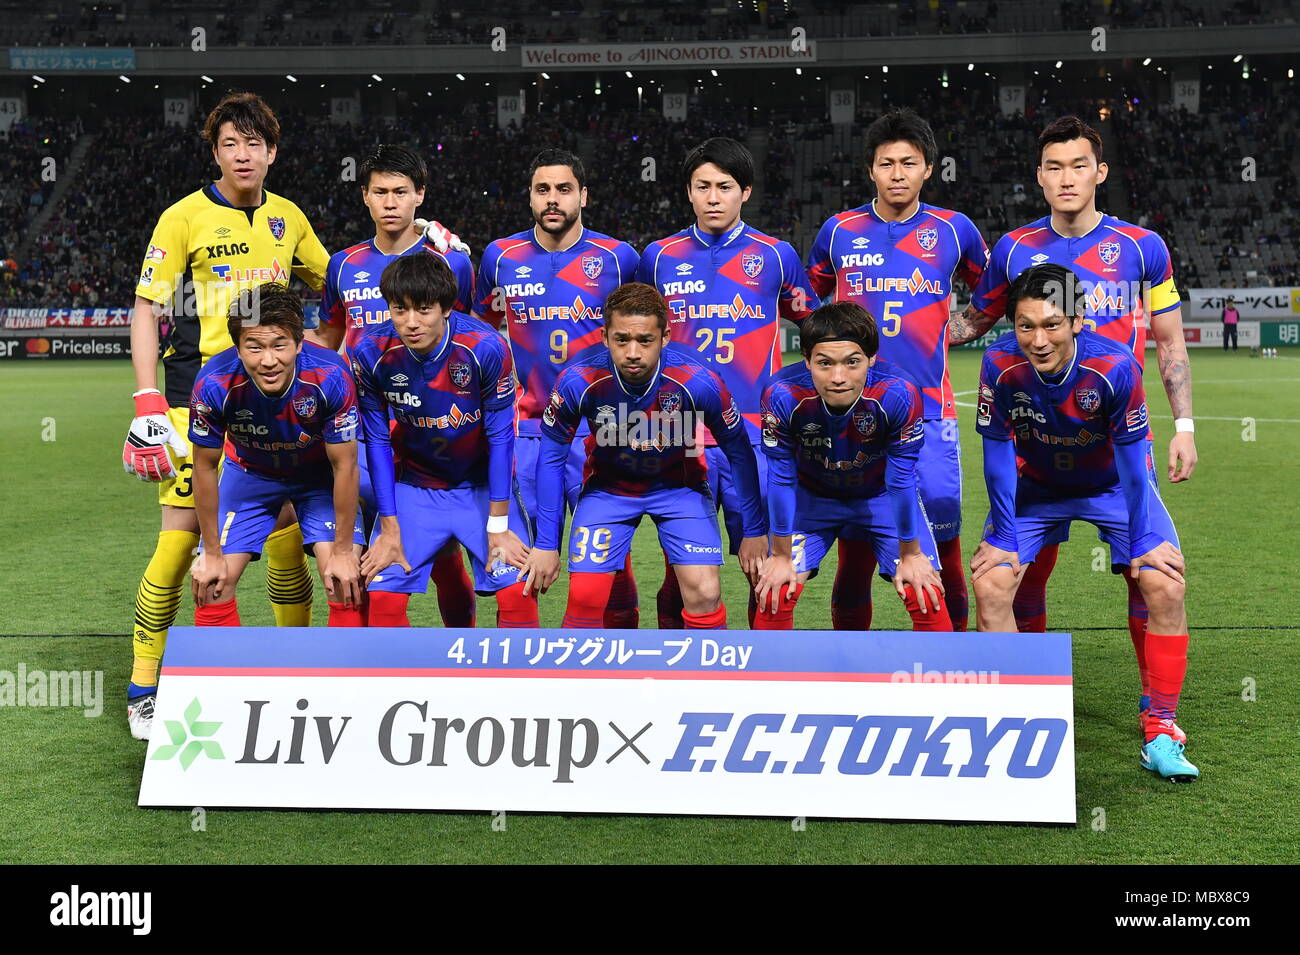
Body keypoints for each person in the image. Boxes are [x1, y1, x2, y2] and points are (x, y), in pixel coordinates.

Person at [953, 115, 1196, 736]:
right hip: (1037, 444)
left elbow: (1168, 342)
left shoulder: (1143, 246)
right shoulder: (1011, 249)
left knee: (1152, 578)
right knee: (1019, 574)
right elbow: (975, 325)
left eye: (1079, 165)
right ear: (1039, 177)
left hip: (1116, 445)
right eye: (1054, 167)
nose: (1067, 178)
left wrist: (1186, 424)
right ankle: (1026, 708)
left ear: (1100, 171)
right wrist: (885, 333)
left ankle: (1159, 722)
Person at [121, 92, 330, 740]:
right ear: (215, 152)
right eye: (230, 144)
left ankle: (288, 671)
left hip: (275, 406)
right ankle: (143, 686)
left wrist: (327, 344)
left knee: (286, 540)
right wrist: (148, 399)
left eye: (255, 144)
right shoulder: (183, 217)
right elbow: (145, 308)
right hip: (196, 403)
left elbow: (336, 283)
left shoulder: (289, 218)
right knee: (181, 544)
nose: (243, 155)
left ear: (272, 152)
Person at [971, 264, 1196, 782]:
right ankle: (1018, 715)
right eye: (1025, 326)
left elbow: (1134, 459)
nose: (1038, 339)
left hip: (1112, 486)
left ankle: (1161, 728)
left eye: (1051, 325)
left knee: (1163, 583)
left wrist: (1141, 538)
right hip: (1036, 488)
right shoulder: (999, 364)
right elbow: (997, 454)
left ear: (1077, 320)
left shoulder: (1115, 367)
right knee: (992, 585)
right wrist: (1004, 535)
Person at [805, 108, 988, 631]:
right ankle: (850, 663)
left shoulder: (955, 230)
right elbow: (809, 304)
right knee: (856, 545)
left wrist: (956, 329)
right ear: (871, 169)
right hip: (849, 413)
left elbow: (993, 292)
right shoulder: (838, 231)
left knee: (942, 542)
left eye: (910, 163)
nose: (898, 173)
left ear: (928, 167)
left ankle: (951, 662)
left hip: (930, 413)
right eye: (887, 163)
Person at [638, 137, 816, 626]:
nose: (714, 197)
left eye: (725, 186)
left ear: (746, 192)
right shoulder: (657, 257)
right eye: (703, 186)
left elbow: (817, 331)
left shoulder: (776, 256)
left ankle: (765, 670)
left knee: (766, 566)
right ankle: (681, 667)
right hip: (678, 434)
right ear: (688, 193)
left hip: (756, 436)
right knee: (683, 570)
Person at [520, 282, 764, 630]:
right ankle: (584, 682)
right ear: (604, 336)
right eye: (622, 340)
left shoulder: (698, 382)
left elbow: (739, 452)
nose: (633, 352)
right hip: (608, 490)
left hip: (680, 489)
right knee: (585, 595)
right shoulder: (577, 381)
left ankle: (706, 683)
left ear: (665, 336)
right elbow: (551, 456)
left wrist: (753, 530)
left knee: (704, 591)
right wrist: (546, 543)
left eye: (645, 340)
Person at [474, 148, 642, 627]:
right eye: (542, 190)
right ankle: (524, 675)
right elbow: (483, 324)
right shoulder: (500, 257)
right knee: (515, 560)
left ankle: (615, 662)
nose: (553, 199)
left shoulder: (618, 257)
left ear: (583, 196)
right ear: (529, 197)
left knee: (607, 560)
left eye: (564, 189)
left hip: (601, 429)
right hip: (526, 429)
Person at [317, 144, 478, 626]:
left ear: (419, 196)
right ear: (364, 196)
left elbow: (465, 341)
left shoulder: (452, 262)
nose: (390, 202)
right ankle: (369, 666)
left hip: (431, 428)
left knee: (445, 556)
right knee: (365, 553)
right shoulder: (342, 265)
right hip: (363, 431)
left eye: (401, 192)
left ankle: (459, 654)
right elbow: (328, 339)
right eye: (380, 192)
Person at [351, 254, 535, 627]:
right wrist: (388, 525)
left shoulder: (484, 348)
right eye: (399, 310)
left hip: (480, 489)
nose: (411, 323)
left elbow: (500, 438)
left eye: (423, 310)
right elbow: (376, 441)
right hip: (414, 487)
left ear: (446, 308)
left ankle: (513, 685)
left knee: (517, 593)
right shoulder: (370, 352)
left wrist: (498, 527)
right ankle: (401, 687)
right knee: (383, 600)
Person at [754, 301, 949, 630]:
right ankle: (775, 680)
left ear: (872, 359)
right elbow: (781, 479)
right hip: (810, 500)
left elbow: (901, 481)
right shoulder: (781, 395)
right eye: (824, 364)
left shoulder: (898, 393)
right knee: (775, 594)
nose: (838, 377)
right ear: (806, 360)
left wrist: (912, 554)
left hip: (881, 497)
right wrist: (781, 555)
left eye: (852, 362)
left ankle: (939, 679)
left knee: (925, 592)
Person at [188, 283, 364, 626]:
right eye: (254, 347)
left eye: (279, 345)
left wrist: (343, 552)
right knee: (211, 585)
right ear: (238, 348)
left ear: (299, 343)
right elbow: (204, 468)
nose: (268, 360)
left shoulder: (331, 376)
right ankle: (227, 679)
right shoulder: (213, 383)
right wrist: (210, 553)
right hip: (250, 475)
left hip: (320, 478)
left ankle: (342, 678)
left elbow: (345, 466)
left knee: (343, 581)